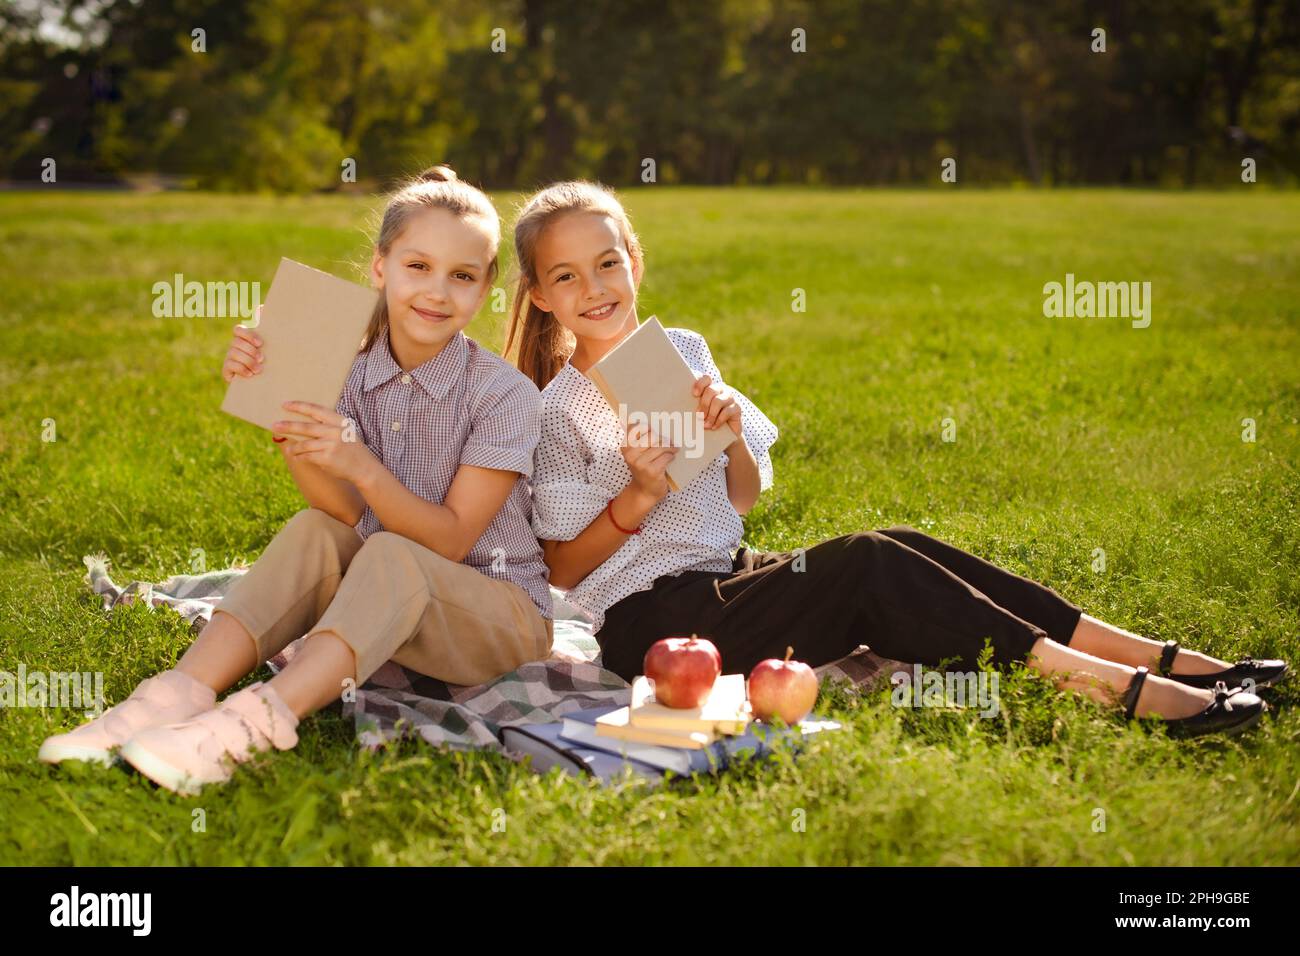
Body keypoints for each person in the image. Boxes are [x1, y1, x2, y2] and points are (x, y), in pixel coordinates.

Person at [503, 180, 1286, 738]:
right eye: (566, 276)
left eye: (607, 262)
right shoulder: (554, 409)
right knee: (868, 564)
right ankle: (1122, 692)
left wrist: (732, 430)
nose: (594, 287)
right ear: (540, 295)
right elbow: (563, 568)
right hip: (653, 620)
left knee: (902, 544)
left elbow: (738, 499)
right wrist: (637, 497)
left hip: (724, 573)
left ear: (634, 260)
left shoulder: (679, 351)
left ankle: (1170, 660)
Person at [39, 166, 554, 793]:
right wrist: (282, 411)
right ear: (379, 266)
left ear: (485, 288)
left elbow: (445, 543)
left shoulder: (505, 394)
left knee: (394, 553)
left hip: (497, 619)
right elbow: (339, 515)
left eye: (463, 276)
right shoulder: (348, 368)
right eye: (417, 267)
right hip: (392, 596)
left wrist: (360, 461)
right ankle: (173, 697)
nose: (437, 292)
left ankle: (254, 724)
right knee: (314, 529)